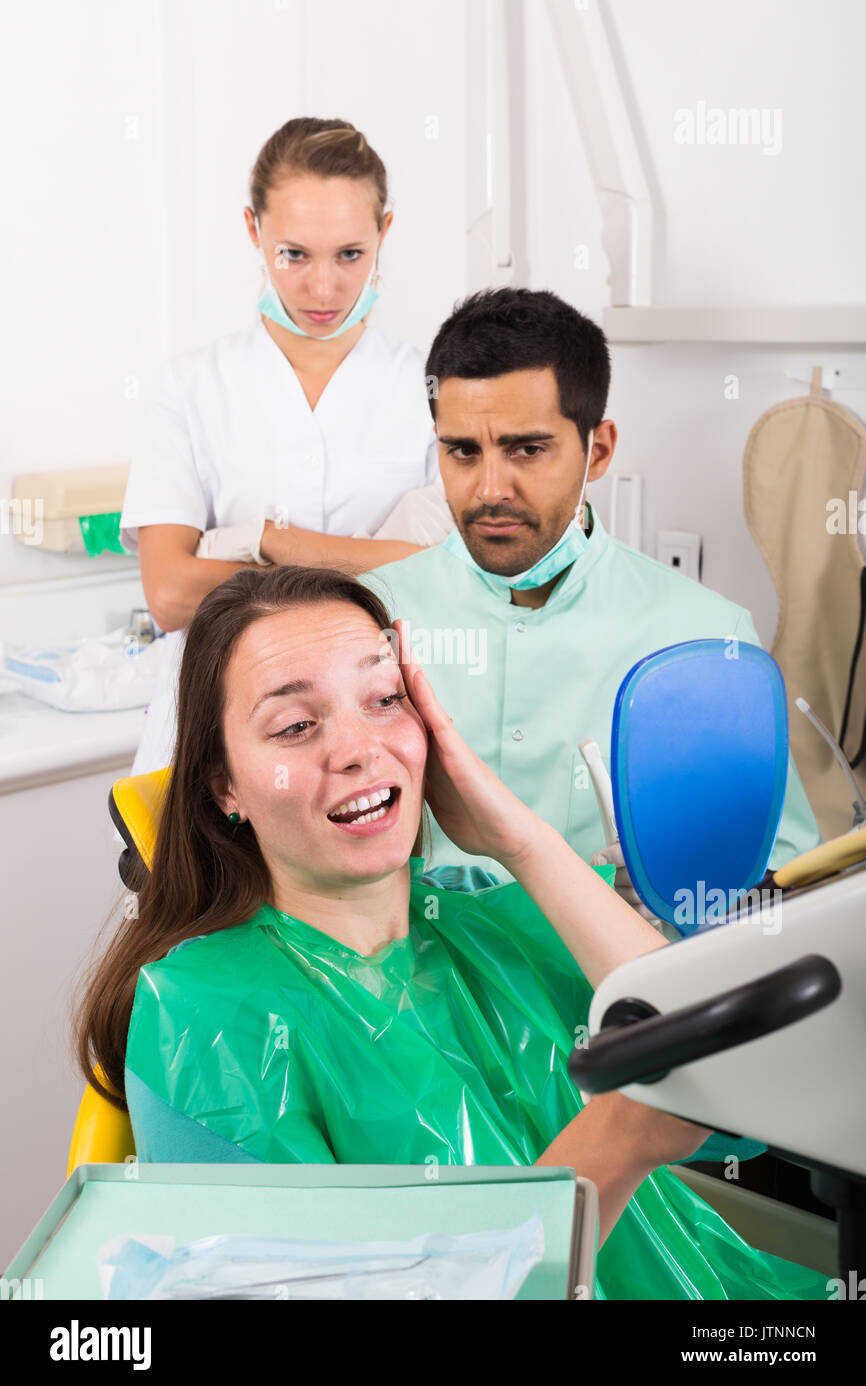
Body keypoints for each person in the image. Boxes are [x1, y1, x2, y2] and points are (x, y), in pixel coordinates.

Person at [74, 566, 825, 1300]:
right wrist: (618, 1143)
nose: (358, 749)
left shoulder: (492, 912)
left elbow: (730, 1074)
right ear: (226, 787)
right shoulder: (205, 1017)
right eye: (297, 725)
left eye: (384, 701)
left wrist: (521, 841)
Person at [360, 288, 822, 893]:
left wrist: (676, 905)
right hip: (413, 984)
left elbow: (776, 877)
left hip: (611, 983)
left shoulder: (707, 637)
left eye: (527, 449)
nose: (490, 489)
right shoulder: (373, 614)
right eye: (463, 452)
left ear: (597, 450)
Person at [120, 116, 450, 777]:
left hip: (375, 732)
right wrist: (369, 571)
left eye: (349, 254)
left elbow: (443, 581)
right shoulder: (192, 387)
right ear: (254, 231)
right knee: (210, 874)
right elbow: (172, 591)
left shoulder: (432, 387)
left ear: (384, 233)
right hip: (218, 725)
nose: (322, 288)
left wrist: (269, 540)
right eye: (294, 254)